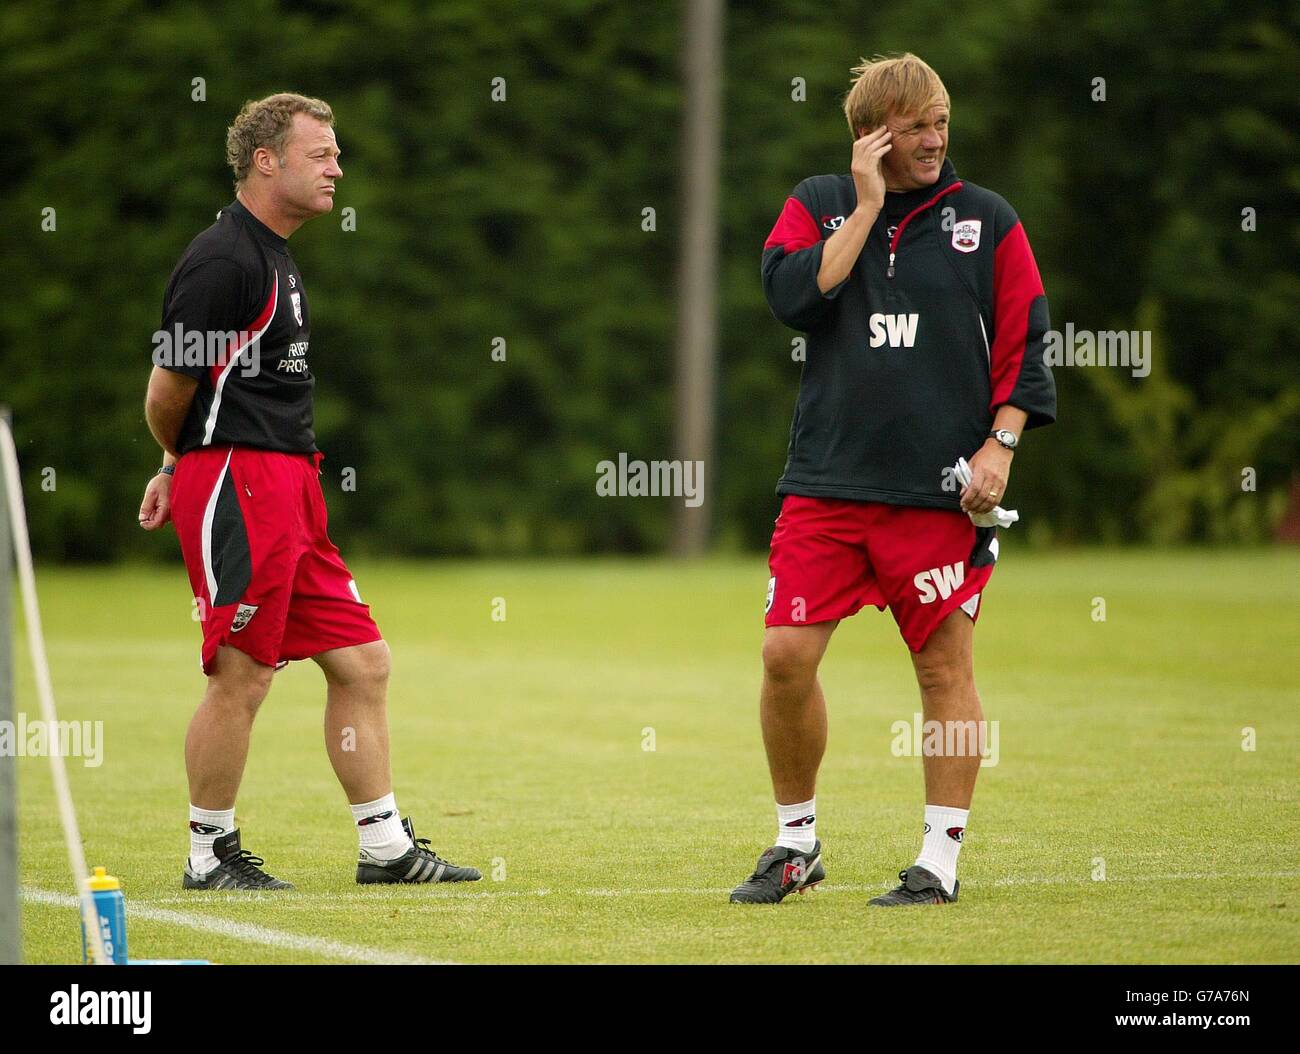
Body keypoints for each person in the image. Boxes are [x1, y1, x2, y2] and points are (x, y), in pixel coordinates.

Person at [731, 54, 1056, 906]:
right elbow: (794, 296)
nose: (934, 140)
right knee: (783, 657)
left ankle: (938, 862)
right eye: (914, 127)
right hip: (826, 484)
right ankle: (795, 845)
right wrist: (867, 207)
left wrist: (1002, 446)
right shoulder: (818, 203)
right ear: (872, 136)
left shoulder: (987, 220)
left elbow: (1027, 340)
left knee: (944, 671)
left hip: (937, 493)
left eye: (940, 123)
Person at [139, 93, 479, 890]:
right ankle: (207, 854)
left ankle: (385, 849)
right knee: (242, 672)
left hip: (292, 484)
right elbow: (167, 391)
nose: (338, 167)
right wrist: (174, 464)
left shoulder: (278, 254)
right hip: (238, 479)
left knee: (363, 663)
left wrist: (167, 466)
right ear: (267, 161)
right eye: (321, 153)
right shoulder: (222, 260)